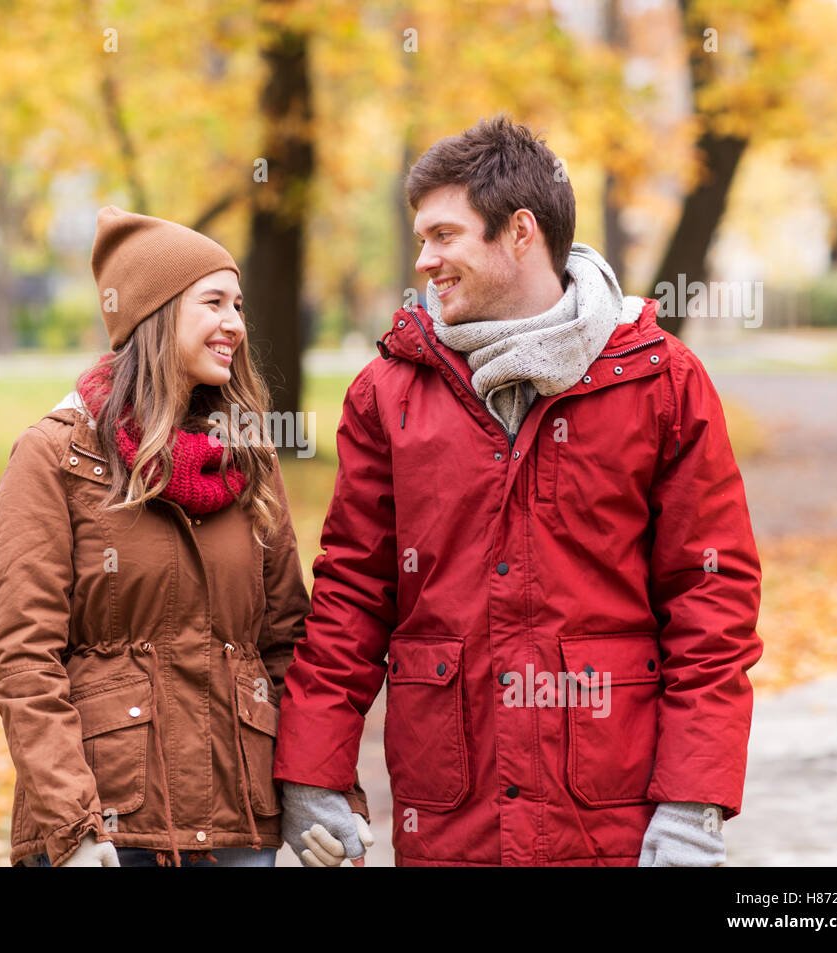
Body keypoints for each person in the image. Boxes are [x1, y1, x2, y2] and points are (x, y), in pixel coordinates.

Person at [274, 116, 763, 866]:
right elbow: (353, 594)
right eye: (421, 239)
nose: (425, 260)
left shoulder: (662, 382)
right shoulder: (388, 392)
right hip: (448, 815)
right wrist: (313, 774)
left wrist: (693, 803)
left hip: (610, 816)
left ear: (520, 231)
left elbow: (711, 598)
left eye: (443, 236)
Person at [0, 206, 368, 867]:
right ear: (153, 314)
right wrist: (70, 824)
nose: (237, 325)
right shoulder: (53, 457)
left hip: (238, 824)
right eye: (214, 302)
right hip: (113, 828)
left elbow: (285, 644)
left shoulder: (250, 458)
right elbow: (26, 662)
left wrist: (318, 786)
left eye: (240, 305)